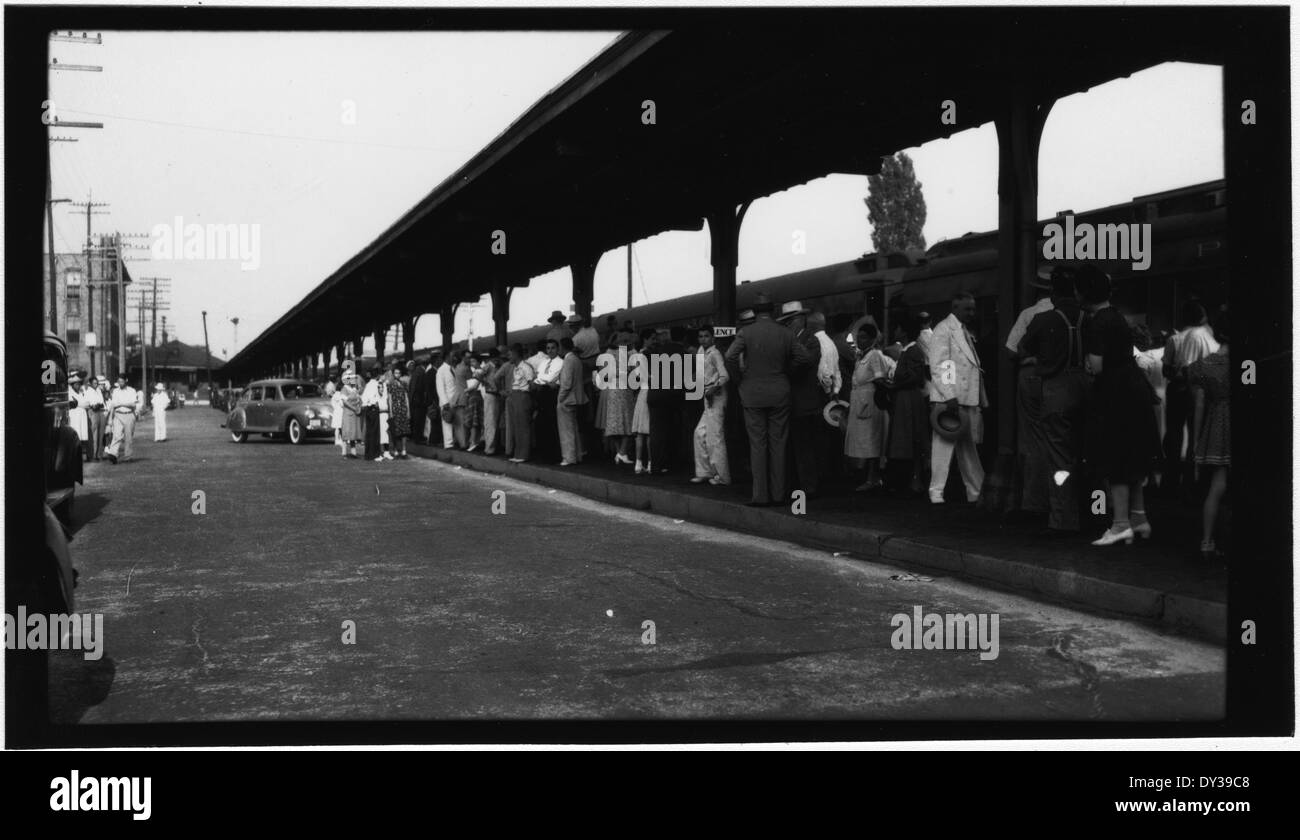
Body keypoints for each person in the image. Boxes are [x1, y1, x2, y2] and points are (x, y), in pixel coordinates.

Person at [1079, 266, 1161, 546]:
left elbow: (1097, 366)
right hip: (1135, 390)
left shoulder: (1097, 321)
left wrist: (1088, 366)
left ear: (1083, 293)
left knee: (1115, 458)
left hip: (1115, 394)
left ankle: (1120, 525)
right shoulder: (1117, 316)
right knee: (1134, 456)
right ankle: (1139, 519)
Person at [1018, 266, 1089, 533]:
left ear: (1053, 292)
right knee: (1084, 453)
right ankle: (1093, 511)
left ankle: (1063, 520)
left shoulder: (1043, 320)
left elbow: (1024, 348)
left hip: (1056, 388)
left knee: (1059, 457)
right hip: (1085, 386)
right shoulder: (1089, 318)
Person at [725, 293, 812, 506]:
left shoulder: (745, 333)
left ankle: (760, 496)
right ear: (772, 312)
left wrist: (740, 380)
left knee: (757, 445)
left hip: (752, 394)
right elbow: (804, 358)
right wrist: (785, 373)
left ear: (754, 312)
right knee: (778, 444)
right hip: (779, 392)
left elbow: (729, 357)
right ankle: (779, 494)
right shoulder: (785, 332)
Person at [928, 293, 987, 505]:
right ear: (955, 307)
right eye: (967, 309)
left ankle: (976, 490)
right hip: (953, 398)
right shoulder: (944, 329)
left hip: (965, 397)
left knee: (967, 446)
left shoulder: (961, 330)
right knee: (944, 446)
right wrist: (949, 395)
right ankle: (937, 491)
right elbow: (940, 364)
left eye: (973, 309)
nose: (971, 313)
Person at [1006, 272, 1057, 518]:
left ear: (1037, 291)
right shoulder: (1067, 313)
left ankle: (1033, 501)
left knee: (1031, 437)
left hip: (1030, 374)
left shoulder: (1029, 314)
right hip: (1058, 376)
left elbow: (1011, 349)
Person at [1161, 301, 1219, 497]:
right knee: (1197, 436)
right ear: (1202, 317)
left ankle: (1171, 483)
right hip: (1202, 390)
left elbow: (1170, 369)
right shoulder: (1209, 338)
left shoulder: (1176, 339)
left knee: (1174, 436)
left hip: (1180, 390)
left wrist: (1178, 374)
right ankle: (1191, 483)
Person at [1188, 307, 1230, 561]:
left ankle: (1207, 541)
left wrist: (1195, 442)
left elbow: (1199, 405)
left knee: (1217, 485)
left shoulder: (1203, 366)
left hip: (1216, 425)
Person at [776, 301, 826, 497]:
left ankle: (808, 486)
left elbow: (801, 365)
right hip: (794, 401)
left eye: (789, 321)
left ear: (799, 320)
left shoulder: (810, 340)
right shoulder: (797, 341)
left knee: (805, 446)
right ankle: (800, 484)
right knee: (798, 445)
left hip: (805, 402)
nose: (787, 326)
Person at [844, 323, 896, 492]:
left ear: (873, 340)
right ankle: (870, 477)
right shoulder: (861, 356)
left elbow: (880, 379)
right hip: (861, 402)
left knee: (872, 441)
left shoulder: (874, 355)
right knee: (865, 441)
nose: (860, 340)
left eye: (864, 337)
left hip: (870, 403)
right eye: (859, 336)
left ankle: (873, 478)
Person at [885, 315, 930, 496]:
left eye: (897, 328)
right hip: (906, 397)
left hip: (909, 398)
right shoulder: (909, 350)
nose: (895, 331)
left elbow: (915, 377)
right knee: (911, 437)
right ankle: (913, 479)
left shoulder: (912, 351)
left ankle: (915, 479)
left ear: (903, 331)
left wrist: (895, 384)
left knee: (912, 437)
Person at [691, 324, 731, 485]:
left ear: (712, 337)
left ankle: (722, 476)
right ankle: (705, 472)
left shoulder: (715, 354)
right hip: (706, 395)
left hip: (716, 396)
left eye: (706, 336)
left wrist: (713, 388)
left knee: (715, 437)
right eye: (700, 336)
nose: (703, 339)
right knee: (699, 433)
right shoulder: (701, 352)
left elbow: (725, 376)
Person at [646, 328, 687, 475]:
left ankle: (656, 465)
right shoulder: (683, 352)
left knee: (656, 431)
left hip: (654, 394)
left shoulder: (659, 351)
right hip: (672, 395)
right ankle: (672, 463)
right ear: (684, 339)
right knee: (674, 430)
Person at [602, 331, 636, 464]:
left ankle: (620, 452)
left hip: (612, 389)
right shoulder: (626, 354)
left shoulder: (607, 354)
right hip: (624, 388)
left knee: (614, 423)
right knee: (627, 421)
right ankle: (622, 452)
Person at [557, 337, 589, 466]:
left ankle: (569, 457)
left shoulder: (568, 360)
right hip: (577, 398)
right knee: (574, 428)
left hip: (567, 399)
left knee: (566, 430)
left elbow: (566, 383)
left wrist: (560, 398)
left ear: (562, 347)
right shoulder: (576, 359)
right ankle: (577, 455)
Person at [532, 338, 564, 462]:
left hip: (553, 395)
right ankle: (544, 454)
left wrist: (542, 380)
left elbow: (551, 377)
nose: (550, 350)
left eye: (553, 348)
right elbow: (538, 378)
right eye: (548, 348)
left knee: (552, 425)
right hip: (542, 394)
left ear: (558, 349)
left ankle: (553, 455)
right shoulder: (544, 362)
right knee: (541, 425)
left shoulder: (561, 362)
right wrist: (543, 380)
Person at [506, 344, 535, 463]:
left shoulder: (525, 367)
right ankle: (518, 454)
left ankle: (523, 455)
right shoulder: (516, 368)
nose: (509, 357)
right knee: (517, 426)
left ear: (516, 354)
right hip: (515, 396)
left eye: (510, 354)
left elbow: (532, 384)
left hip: (523, 396)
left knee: (523, 426)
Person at [631, 330, 653, 474]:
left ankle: (638, 464)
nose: (654, 341)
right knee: (649, 432)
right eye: (652, 338)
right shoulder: (646, 355)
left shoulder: (635, 356)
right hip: (649, 392)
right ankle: (651, 463)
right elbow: (647, 377)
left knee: (640, 432)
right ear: (646, 339)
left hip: (641, 394)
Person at [104, 375, 141, 464]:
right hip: (118, 415)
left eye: (122, 381)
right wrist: (110, 419)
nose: (120, 383)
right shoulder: (116, 391)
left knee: (128, 437)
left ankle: (128, 456)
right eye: (119, 382)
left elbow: (133, 404)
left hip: (129, 415)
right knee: (117, 435)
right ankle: (113, 454)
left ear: (126, 380)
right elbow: (113, 405)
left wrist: (121, 403)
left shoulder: (132, 391)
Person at [435, 350, 466, 449]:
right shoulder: (441, 370)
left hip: (456, 399)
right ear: (447, 357)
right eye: (452, 356)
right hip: (447, 401)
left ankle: (459, 443)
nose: (454, 358)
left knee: (458, 422)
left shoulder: (454, 368)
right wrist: (445, 403)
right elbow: (440, 388)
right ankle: (448, 445)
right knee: (447, 423)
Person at [479, 349, 504, 455]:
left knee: (495, 422)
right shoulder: (489, 365)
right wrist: (486, 383)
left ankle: (494, 446)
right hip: (491, 394)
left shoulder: (498, 366)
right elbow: (477, 375)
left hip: (497, 395)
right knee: (490, 422)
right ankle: (489, 448)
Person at [360, 367, 385, 462]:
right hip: (374, 408)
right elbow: (379, 396)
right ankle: (375, 454)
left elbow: (363, 399)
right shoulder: (377, 385)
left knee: (369, 432)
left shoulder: (368, 385)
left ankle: (368, 454)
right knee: (375, 432)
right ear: (378, 375)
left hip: (368, 409)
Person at [387, 364, 411, 458]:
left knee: (404, 431)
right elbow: (389, 399)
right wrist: (391, 412)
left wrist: (408, 410)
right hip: (395, 409)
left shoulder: (404, 384)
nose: (397, 374)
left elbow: (406, 398)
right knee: (396, 431)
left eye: (399, 373)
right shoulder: (390, 385)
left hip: (403, 408)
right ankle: (396, 449)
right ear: (393, 374)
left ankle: (404, 450)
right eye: (396, 373)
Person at [461, 353, 483, 453]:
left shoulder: (479, 371)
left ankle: (473, 442)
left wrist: (466, 390)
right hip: (475, 397)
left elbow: (475, 385)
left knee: (473, 421)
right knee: (475, 421)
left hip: (475, 396)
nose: (471, 363)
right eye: (471, 362)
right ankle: (474, 441)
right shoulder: (476, 371)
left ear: (478, 361)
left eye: (473, 361)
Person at [82, 376, 106, 461]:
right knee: (94, 434)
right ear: (91, 384)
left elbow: (102, 402)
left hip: (101, 411)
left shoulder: (99, 391)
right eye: (95, 383)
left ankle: (99, 454)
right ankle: (92, 455)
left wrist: (99, 405)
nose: (96, 385)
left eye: (97, 383)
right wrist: (94, 406)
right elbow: (88, 403)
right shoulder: (88, 392)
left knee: (101, 434)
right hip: (93, 412)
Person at [340, 373, 363, 458]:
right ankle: (344, 452)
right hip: (348, 413)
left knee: (354, 433)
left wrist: (359, 407)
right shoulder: (344, 389)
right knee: (346, 432)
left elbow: (359, 399)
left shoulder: (354, 388)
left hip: (355, 414)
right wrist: (354, 408)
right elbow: (345, 402)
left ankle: (353, 452)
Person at [68, 375, 90, 460]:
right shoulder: (70, 393)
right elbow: (73, 404)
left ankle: (79, 456)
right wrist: (80, 404)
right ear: (72, 385)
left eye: (79, 384)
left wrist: (80, 404)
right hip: (74, 416)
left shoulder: (81, 393)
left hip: (82, 415)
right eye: (76, 384)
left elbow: (87, 403)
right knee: (75, 435)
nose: (78, 386)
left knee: (82, 437)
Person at [408, 358, 429, 444]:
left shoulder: (416, 372)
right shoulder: (420, 372)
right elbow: (415, 387)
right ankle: (418, 438)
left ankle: (417, 437)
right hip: (418, 400)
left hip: (416, 400)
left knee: (417, 419)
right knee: (418, 419)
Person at [330, 377, 346, 453]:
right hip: (340, 411)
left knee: (337, 427)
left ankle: (336, 439)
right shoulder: (341, 395)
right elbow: (342, 403)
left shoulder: (334, 395)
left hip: (336, 411)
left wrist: (335, 407)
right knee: (340, 427)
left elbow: (332, 403)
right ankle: (340, 439)